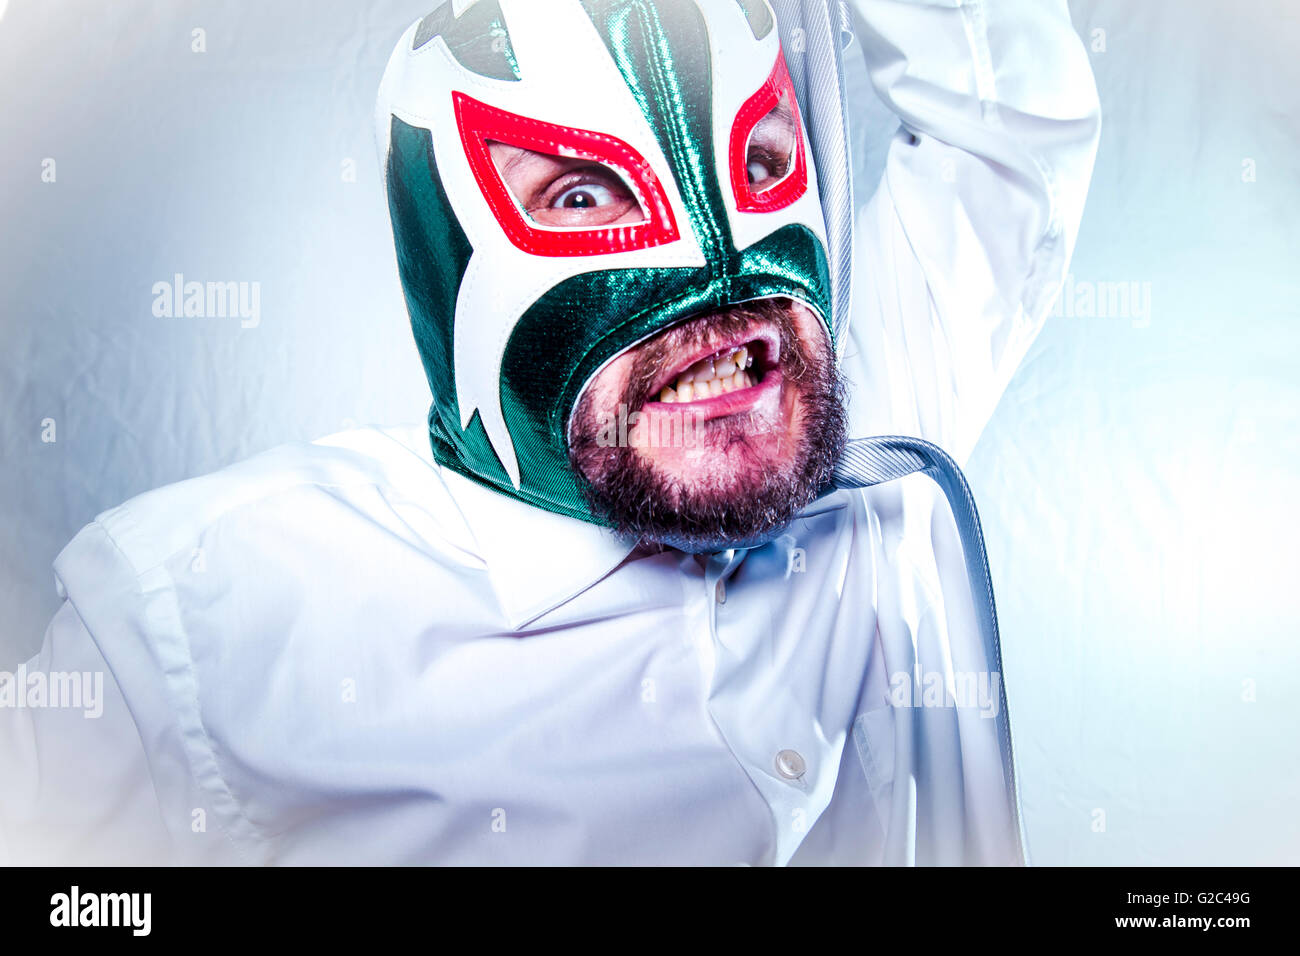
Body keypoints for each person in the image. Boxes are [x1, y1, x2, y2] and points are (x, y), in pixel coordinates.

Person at [0, 0, 1100, 866]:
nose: (722, 282)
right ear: (446, 249)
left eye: (761, 162)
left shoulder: (833, 436)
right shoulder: (190, 624)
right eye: (581, 196)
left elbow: (1004, 126)